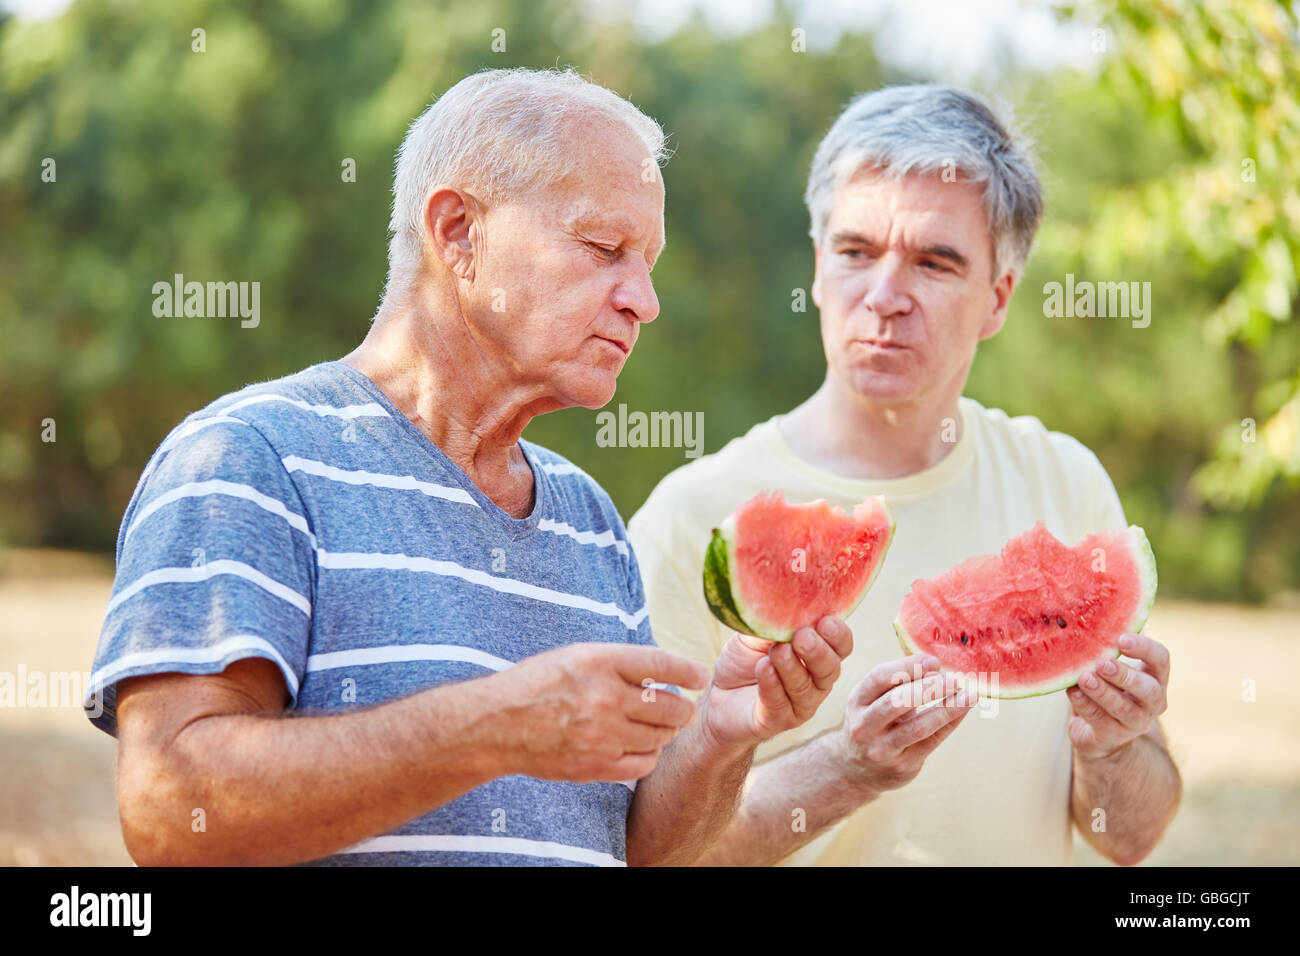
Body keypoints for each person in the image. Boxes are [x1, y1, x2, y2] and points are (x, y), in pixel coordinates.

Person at [84, 67, 854, 866]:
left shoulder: (589, 520)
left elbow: (629, 850)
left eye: (648, 261)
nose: (644, 301)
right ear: (457, 232)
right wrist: (492, 727)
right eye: (603, 248)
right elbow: (171, 812)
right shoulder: (249, 458)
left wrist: (724, 734)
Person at [628, 85, 1181, 866]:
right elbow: (646, 854)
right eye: (855, 252)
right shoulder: (692, 521)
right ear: (818, 270)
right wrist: (844, 771)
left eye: (934, 261)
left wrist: (1115, 749)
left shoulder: (1066, 482)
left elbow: (1131, 837)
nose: (885, 296)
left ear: (998, 299)